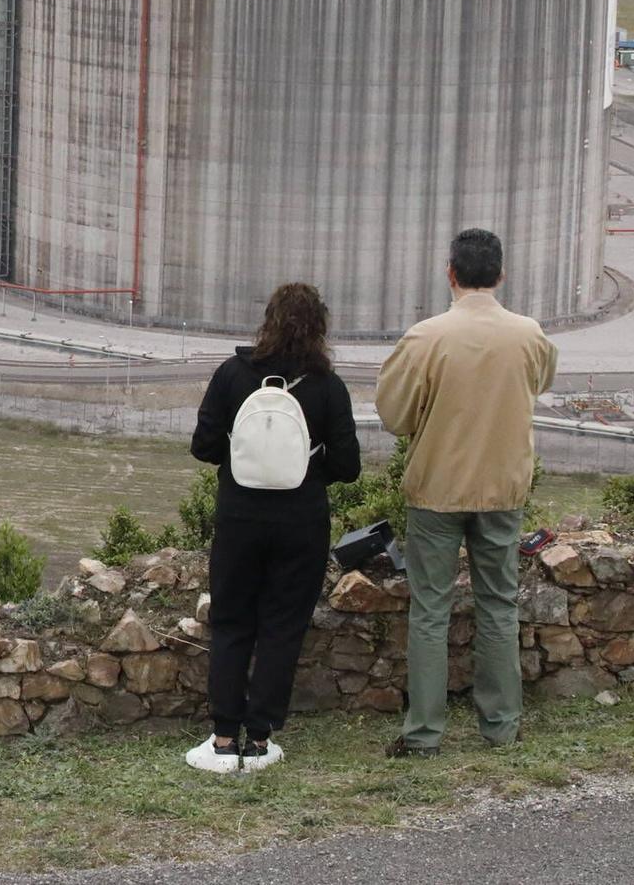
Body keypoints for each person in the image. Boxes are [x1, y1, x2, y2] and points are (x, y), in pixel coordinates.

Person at [376, 228, 557, 757]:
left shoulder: (426, 337)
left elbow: (394, 414)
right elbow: (540, 382)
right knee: (499, 605)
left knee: (430, 610)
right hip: (503, 489)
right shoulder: (528, 334)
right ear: (500, 275)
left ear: (450, 273)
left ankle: (424, 734)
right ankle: (501, 726)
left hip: (438, 489)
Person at [186, 282, 361, 774]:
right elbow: (348, 466)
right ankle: (260, 742)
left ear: (267, 320)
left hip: (240, 515)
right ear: (321, 329)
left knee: (232, 621)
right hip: (301, 519)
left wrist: (239, 464)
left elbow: (202, 445)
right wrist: (307, 470)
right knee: (283, 627)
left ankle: (222, 740)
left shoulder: (232, 374)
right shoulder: (328, 386)